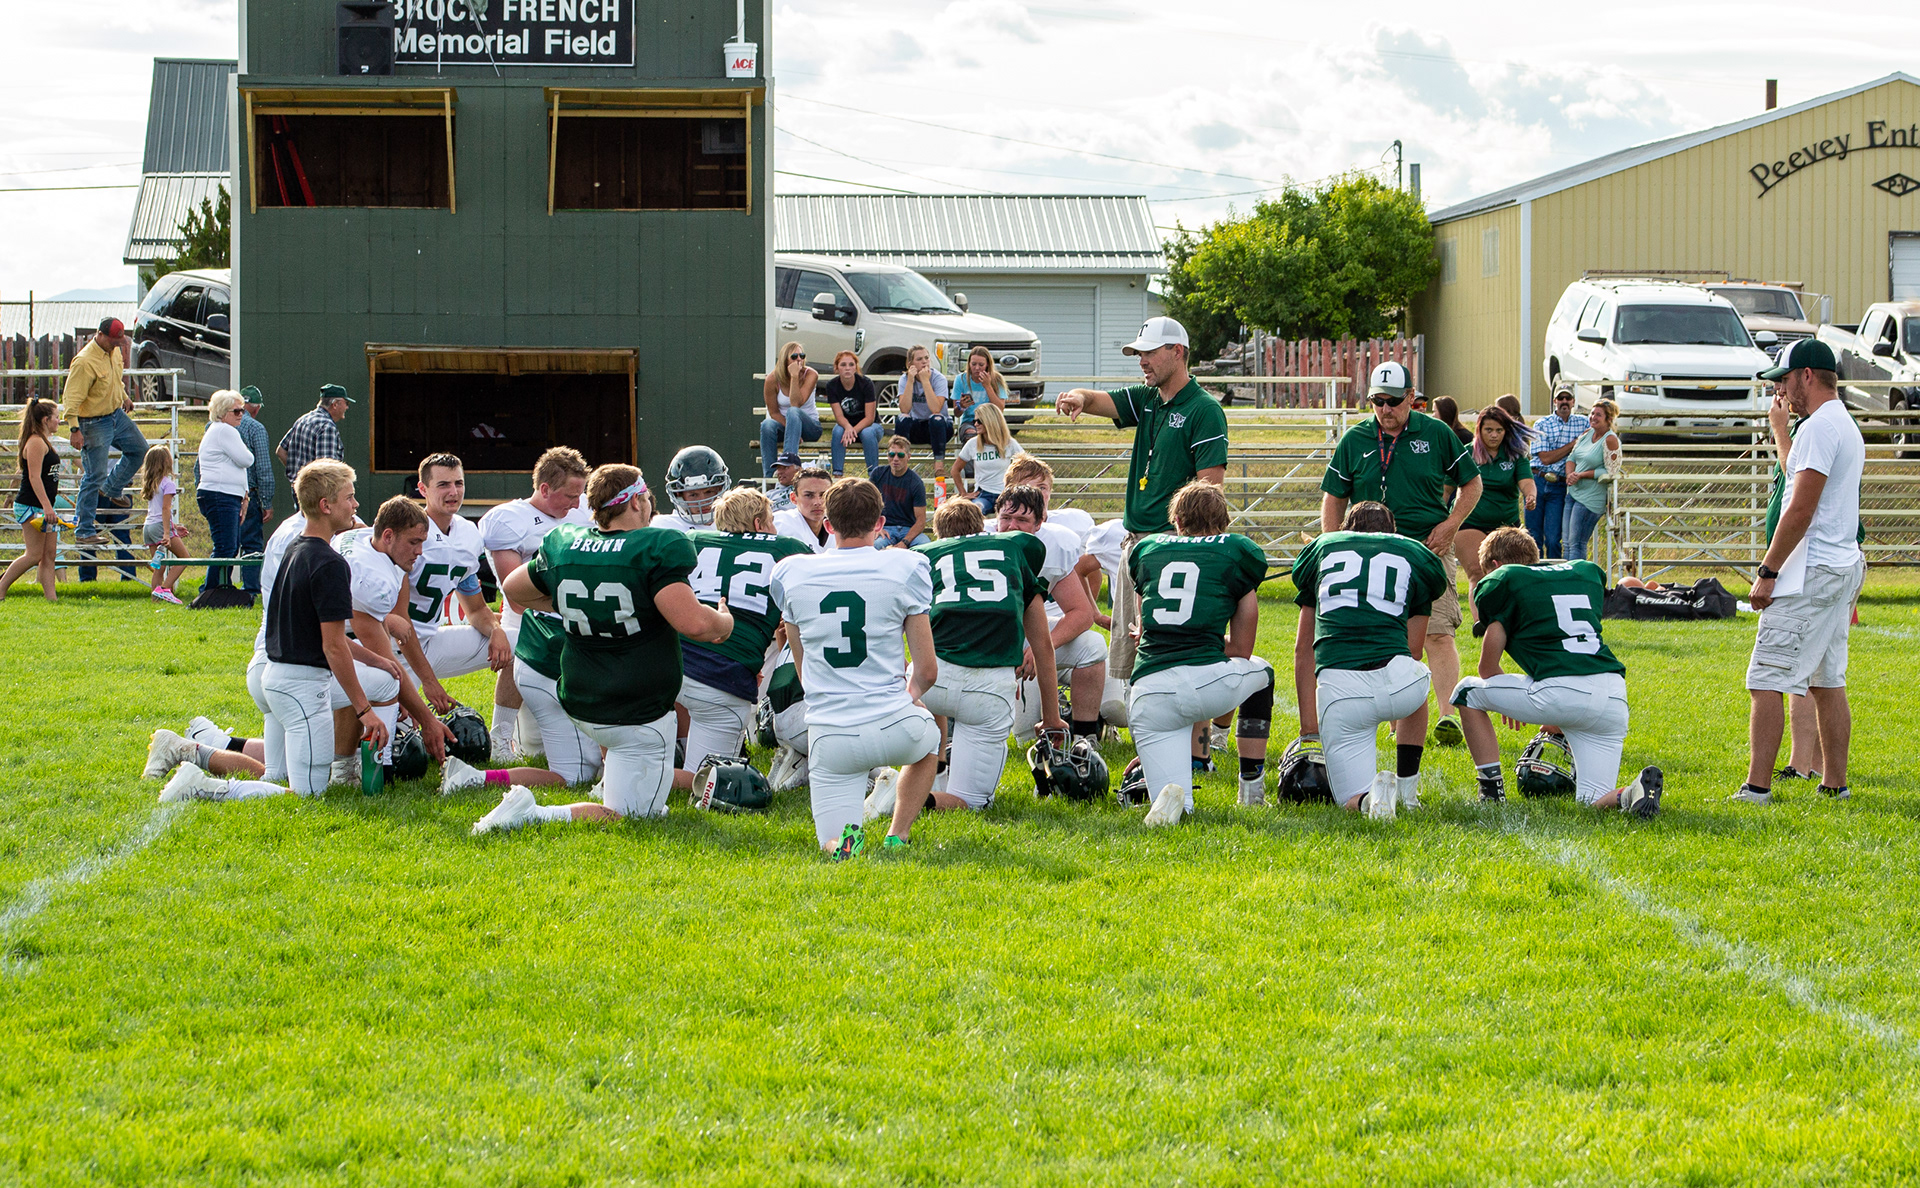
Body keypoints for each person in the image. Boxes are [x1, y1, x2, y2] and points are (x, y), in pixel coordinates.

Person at [479, 465, 734, 833]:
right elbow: (695, 624)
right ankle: (530, 814)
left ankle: (617, 782)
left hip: (582, 698)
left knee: (637, 786)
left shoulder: (566, 541)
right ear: (633, 502)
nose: (649, 506)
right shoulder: (657, 546)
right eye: (645, 498)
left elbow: (515, 589)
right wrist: (724, 621)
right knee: (634, 816)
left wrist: (565, 603)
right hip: (636, 707)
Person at [160, 461, 388, 803]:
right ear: (326, 506)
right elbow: (334, 646)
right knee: (306, 795)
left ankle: (199, 757)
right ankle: (206, 788)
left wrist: (377, 661)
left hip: (276, 678)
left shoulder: (294, 548)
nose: (355, 505)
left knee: (280, 778)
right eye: (349, 497)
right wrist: (363, 709)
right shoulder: (329, 562)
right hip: (302, 685)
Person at [772, 477, 941, 856]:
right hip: (894, 723)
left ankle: (848, 842)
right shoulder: (906, 566)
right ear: (880, 523)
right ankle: (898, 836)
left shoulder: (792, 572)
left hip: (831, 734)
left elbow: (804, 670)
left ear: (828, 525)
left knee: (836, 842)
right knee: (929, 744)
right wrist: (908, 698)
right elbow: (927, 670)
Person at [1056, 316, 1229, 686]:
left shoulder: (1204, 409)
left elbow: (1209, 491)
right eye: (1139, 353)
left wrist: (1186, 545)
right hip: (1134, 543)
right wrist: (1078, 397)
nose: (1142, 360)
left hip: (1171, 545)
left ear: (1177, 352)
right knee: (1131, 648)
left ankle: (1189, 729)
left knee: (1165, 646)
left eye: (1149, 352)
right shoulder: (1148, 398)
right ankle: (1141, 726)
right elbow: (1098, 401)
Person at [1320, 360, 1481, 748]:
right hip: (1369, 553)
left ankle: (1447, 717)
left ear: (1412, 398)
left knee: (1438, 633)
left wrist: (1451, 525)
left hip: (1427, 547)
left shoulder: (1437, 433)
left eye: (1393, 401)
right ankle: (1389, 715)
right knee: (1379, 634)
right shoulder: (1355, 439)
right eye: (1378, 401)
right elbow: (1334, 497)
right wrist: (1332, 546)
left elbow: (1472, 484)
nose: (1386, 410)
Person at [1452, 526, 1662, 816]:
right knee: (1591, 803)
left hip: (1562, 693)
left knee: (1465, 691)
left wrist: (1507, 702)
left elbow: (1486, 669)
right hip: (1613, 698)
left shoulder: (1505, 581)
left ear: (1496, 566)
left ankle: (1490, 792)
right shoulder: (1580, 573)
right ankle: (1630, 794)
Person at [1736, 339, 1865, 805]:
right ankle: (1835, 785)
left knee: (1765, 677)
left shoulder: (1817, 428)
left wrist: (1768, 570)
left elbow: (1800, 507)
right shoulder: (1842, 423)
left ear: (1807, 375)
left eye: (1785, 380)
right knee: (1827, 680)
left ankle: (1757, 789)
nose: (1783, 391)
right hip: (1840, 565)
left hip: (1812, 571)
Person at [879, 498, 1058, 815]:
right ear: (983, 528)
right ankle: (915, 796)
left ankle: (911, 777)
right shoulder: (1015, 550)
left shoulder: (921, 557)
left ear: (939, 535)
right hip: (988, 688)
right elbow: (1042, 645)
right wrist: (1053, 717)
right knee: (971, 802)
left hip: (929, 682)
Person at [1125, 481, 1274, 826]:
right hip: (1207, 685)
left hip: (1149, 695)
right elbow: (1240, 649)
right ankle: (1251, 790)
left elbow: (1143, 631)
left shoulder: (1147, 550)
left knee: (1178, 803)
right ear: (1223, 521)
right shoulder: (1236, 551)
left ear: (1176, 519)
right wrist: (1206, 637)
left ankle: (1175, 801)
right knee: (1262, 673)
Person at [1291, 501, 1449, 816]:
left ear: (1345, 530)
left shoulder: (1323, 548)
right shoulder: (1415, 555)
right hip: (1399, 684)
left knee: (1351, 802)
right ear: (1393, 533)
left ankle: (1367, 799)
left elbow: (1302, 649)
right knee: (1417, 675)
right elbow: (1414, 650)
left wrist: (1309, 729)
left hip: (1341, 692)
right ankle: (1407, 790)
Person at [681, 487, 810, 771]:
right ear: (758, 524)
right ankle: (632, 771)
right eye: (771, 521)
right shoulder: (787, 549)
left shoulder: (691, 539)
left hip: (670, 660)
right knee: (708, 778)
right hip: (720, 674)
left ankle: (629, 765)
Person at [477, 446, 592, 761]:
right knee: (517, 647)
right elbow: (516, 596)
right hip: (532, 616)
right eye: (570, 495)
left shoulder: (580, 511)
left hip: (575, 614)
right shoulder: (510, 519)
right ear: (544, 489)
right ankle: (499, 737)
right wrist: (566, 607)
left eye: (579, 495)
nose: (576, 502)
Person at [996, 485, 1107, 743]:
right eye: (1006, 518)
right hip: (990, 644)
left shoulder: (1054, 546)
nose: (1012, 526)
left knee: (1093, 644)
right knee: (1023, 735)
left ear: (1040, 522)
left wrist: (1041, 647)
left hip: (1032, 638)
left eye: (1022, 520)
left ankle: (1084, 735)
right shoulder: (980, 542)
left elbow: (1081, 613)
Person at [396, 453, 506, 712]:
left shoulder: (468, 532)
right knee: (392, 737)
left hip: (430, 640)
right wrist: (429, 681)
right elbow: (396, 616)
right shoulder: (405, 532)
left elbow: (476, 609)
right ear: (422, 489)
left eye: (458, 483)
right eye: (443, 484)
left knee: (516, 641)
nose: (453, 491)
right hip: (393, 648)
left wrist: (497, 631)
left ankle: (504, 739)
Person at [64, 316, 146, 547]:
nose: (116, 345)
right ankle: (84, 530)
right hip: (92, 422)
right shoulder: (84, 362)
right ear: (99, 335)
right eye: (113, 340)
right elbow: (71, 397)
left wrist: (124, 397)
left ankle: (112, 488)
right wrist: (74, 428)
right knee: (94, 475)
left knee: (140, 449)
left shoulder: (114, 352)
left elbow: (115, 380)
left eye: (119, 341)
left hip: (114, 414)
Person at [1455, 404, 1536, 609]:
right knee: (1477, 572)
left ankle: (1510, 620)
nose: (1494, 435)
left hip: (1507, 526)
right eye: (1489, 430)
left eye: (1499, 430)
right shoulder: (1466, 454)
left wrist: (1530, 496)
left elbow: (1526, 481)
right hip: (1470, 522)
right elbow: (1446, 488)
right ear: (1479, 430)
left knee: (1513, 575)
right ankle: (1480, 623)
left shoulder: (1516, 455)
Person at [3, 399, 67, 601]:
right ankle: (1, 588)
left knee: (49, 555)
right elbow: (33, 477)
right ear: (46, 419)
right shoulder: (36, 442)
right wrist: (47, 507)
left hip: (44, 505)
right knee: (34, 554)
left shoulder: (44, 440)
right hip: (32, 505)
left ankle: (52, 599)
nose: (59, 420)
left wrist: (49, 506)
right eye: (56, 417)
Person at [197, 390, 255, 591]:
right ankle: (210, 591)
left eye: (243, 410)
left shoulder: (218, 430)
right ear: (222, 412)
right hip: (220, 495)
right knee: (225, 546)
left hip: (223, 495)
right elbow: (247, 460)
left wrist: (244, 495)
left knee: (230, 545)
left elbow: (240, 466)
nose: (241, 415)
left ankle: (221, 586)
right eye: (237, 411)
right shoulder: (225, 430)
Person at [1561, 399, 1619, 562]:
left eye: (1598, 415)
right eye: (1592, 413)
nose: (1593, 417)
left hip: (1590, 498)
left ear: (1608, 419)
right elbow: (1571, 457)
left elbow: (1612, 471)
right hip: (1573, 492)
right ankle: (1564, 580)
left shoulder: (1610, 440)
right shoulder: (1587, 434)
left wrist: (1582, 475)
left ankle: (1576, 580)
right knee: (1566, 542)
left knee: (1577, 542)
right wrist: (1570, 474)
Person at [1527, 385, 1581, 558]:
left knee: (1553, 539)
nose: (1564, 402)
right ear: (1554, 401)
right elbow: (1545, 458)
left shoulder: (1583, 422)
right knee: (1533, 537)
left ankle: (1553, 577)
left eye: (1568, 398)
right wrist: (1573, 444)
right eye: (1561, 398)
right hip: (1537, 480)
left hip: (1559, 485)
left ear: (1573, 402)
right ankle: (1533, 577)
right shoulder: (1542, 423)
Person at [760, 341, 822, 478]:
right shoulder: (772, 379)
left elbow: (796, 403)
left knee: (793, 411)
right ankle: (769, 479)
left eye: (802, 355)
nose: (799, 359)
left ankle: (788, 470)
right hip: (787, 426)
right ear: (784, 360)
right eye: (794, 356)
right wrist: (792, 428)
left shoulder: (810, 374)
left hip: (810, 428)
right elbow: (774, 413)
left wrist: (794, 376)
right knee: (767, 425)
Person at [950, 404, 1025, 514]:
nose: (975, 424)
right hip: (983, 493)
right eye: (974, 421)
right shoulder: (972, 443)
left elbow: (1027, 464)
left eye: (979, 421)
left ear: (990, 421)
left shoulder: (1009, 443)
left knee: (1010, 513)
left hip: (1006, 494)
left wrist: (1016, 484)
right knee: (976, 510)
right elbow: (955, 470)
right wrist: (963, 493)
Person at [236, 386, 275, 597]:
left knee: (224, 543)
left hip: (221, 494)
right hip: (248, 494)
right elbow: (263, 467)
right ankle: (250, 588)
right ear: (256, 408)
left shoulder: (214, 426)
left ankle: (215, 586)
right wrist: (267, 501)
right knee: (251, 543)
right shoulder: (256, 429)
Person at [138, 445, 189, 603]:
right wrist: (167, 532)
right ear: (166, 462)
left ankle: (156, 599)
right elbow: (165, 508)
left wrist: (173, 527)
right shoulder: (168, 484)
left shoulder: (151, 484)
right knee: (184, 558)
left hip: (149, 526)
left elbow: (155, 510)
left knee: (159, 567)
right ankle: (165, 589)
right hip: (160, 526)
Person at [277, 384, 351, 483]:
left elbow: (281, 451)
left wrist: (301, 479)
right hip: (319, 493)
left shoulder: (303, 420)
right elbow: (327, 470)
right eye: (346, 403)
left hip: (299, 489)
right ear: (335, 404)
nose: (347, 407)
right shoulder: (327, 427)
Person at [824, 351, 881, 476]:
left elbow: (869, 418)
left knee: (867, 433)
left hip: (870, 426)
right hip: (846, 426)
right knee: (838, 431)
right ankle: (837, 474)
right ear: (837, 368)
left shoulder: (866, 384)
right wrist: (848, 427)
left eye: (851, 364)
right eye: (843, 365)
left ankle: (874, 475)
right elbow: (839, 416)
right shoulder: (832, 386)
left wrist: (852, 430)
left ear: (856, 367)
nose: (847, 368)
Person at [897, 345, 952, 462]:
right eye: (919, 359)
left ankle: (939, 464)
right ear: (910, 364)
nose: (924, 362)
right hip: (917, 426)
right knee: (902, 419)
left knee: (936, 418)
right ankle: (901, 462)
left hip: (940, 428)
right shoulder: (905, 379)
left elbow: (936, 408)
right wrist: (911, 381)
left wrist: (925, 381)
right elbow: (904, 409)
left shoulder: (939, 379)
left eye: (926, 358)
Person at [655, 445, 730, 533]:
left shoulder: (737, 524)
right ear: (679, 496)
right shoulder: (664, 526)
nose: (703, 501)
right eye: (693, 495)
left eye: (709, 492)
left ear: (720, 489)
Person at [873, 436, 930, 547]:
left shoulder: (916, 482)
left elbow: (921, 521)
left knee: (925, 545)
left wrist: (905, 542)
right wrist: (875, 527)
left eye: (900, 455)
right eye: (892, 454)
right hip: (884, 527)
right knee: (876, 545)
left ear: (908, 457)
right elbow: (867, 506)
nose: (895, 458)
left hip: (909, 529)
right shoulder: (877, 474)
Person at [950, 346, 1008, 442]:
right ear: (969, 364)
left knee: (991, 436)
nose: (977, 368)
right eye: (973, 364)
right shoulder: (961, 379)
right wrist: (961, 406)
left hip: (990, 421)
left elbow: (1000, 409)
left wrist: (987, 386)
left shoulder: (996, 379)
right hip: (969, 421)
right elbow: (956, 413)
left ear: (987, 365)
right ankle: (972, 456)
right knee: (971, 435)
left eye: (981, 365)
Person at [773, 465, 836, 552]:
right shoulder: (780, 523)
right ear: (793, 498)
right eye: (808, 495)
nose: (817, 502)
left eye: (823, 495)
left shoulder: (841, 527)